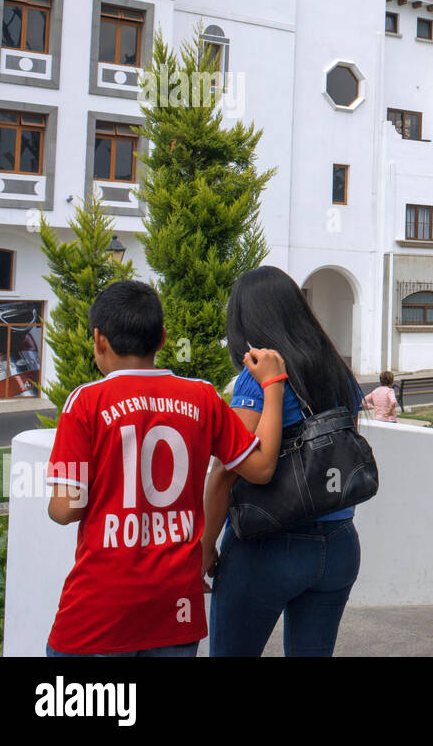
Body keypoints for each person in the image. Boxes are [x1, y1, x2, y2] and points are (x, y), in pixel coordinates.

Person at [45, 280, 286, 657]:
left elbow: (67, 508)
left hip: (98, 611)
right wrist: (272, 385)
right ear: (162, 338)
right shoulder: (203, 396)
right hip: (175, 607)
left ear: (98, 340)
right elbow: (261, 468)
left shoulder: (85, 402)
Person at [203, 265, 365, 657]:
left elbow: (227, 470)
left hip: (269, 546)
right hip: (339, 543)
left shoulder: (256, 378)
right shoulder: (336, 370)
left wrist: (205, 546)